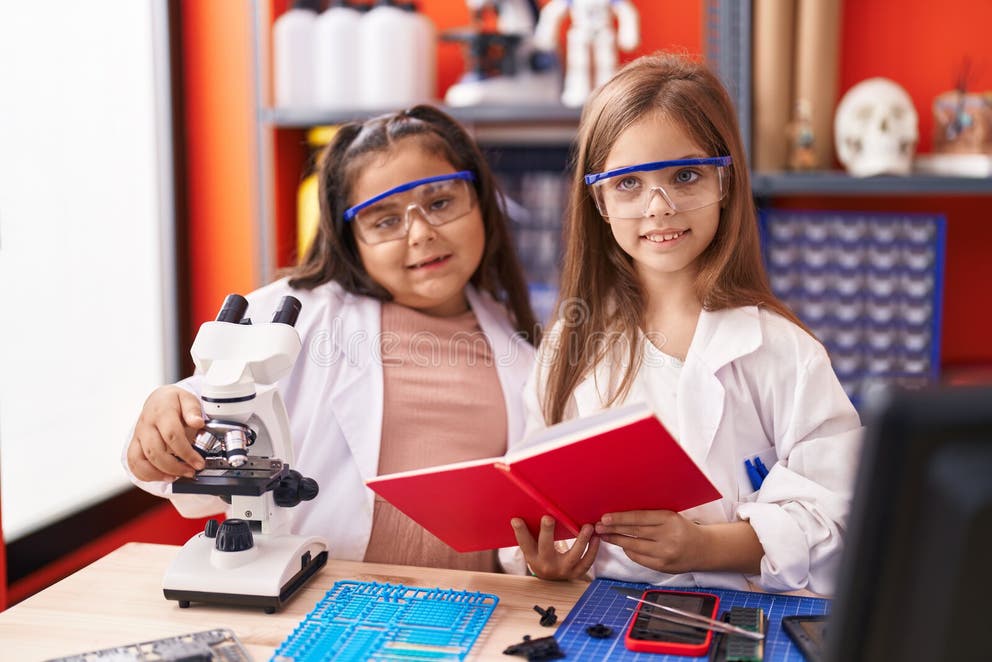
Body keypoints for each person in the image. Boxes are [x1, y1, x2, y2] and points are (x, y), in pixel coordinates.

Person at [503, 53, 862, 595]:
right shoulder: (568, 348)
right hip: (599, 613)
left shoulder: (785, 351)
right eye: (628, 183)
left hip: (748, 614)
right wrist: (544, 561)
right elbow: (530, 510)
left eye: (685, 175)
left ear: (725, 181)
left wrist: (705, 548)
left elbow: (840, 519)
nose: (659, 206)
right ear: (598, 199)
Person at [124, 105, 539, 573]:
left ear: (479, 200)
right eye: (384, 220)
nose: (422, 233)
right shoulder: (295, 318)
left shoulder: (521, 342)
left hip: (479, 604)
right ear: (350, 239)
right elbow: (205, 416)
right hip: (329, 597)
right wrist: (162, 425)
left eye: (441, 203)